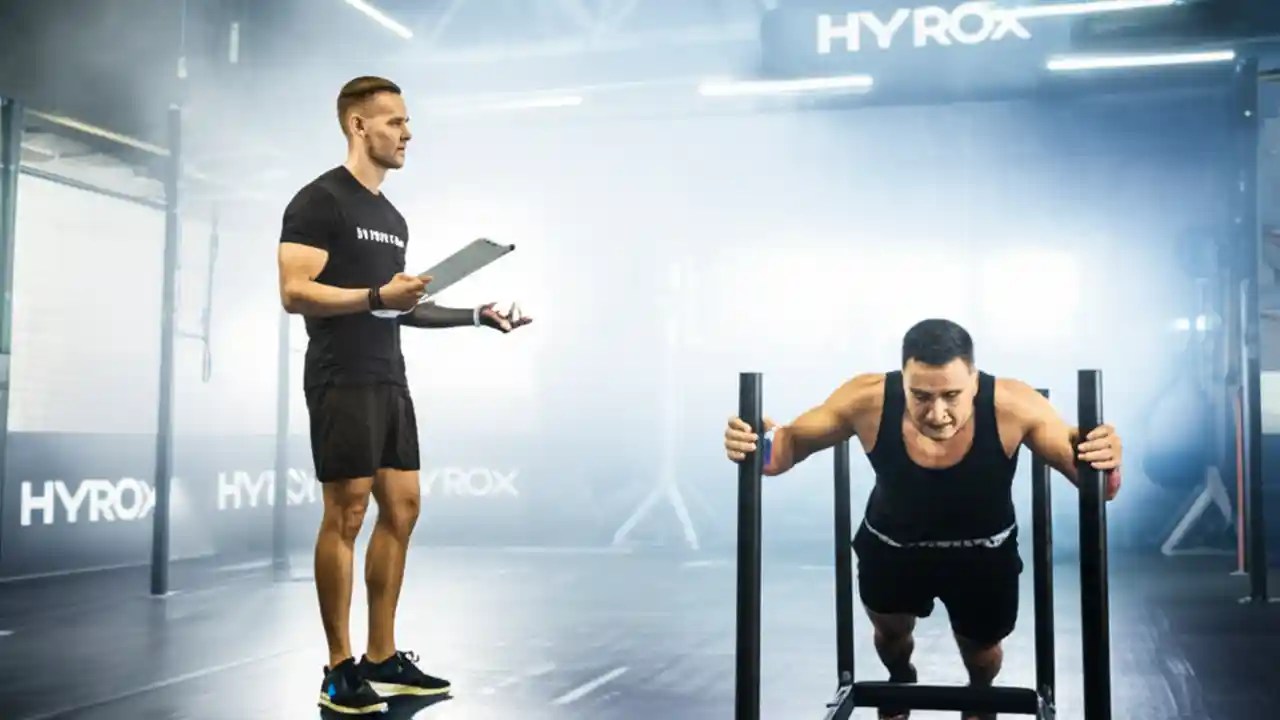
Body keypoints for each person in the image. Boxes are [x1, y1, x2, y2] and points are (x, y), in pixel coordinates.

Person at [277, 75, 533, 715]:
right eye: (395, 121)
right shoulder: (318, 201)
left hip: (389, 376)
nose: (407, 133)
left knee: (404, 506)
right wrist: (375, 296)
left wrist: (476, 315)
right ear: (358, 125)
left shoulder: (391, 219)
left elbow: (397, 308)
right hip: (340, 375)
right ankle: (339, 670)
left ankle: (382, 658)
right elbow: (294, 292)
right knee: (347, 514)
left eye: (407, 121)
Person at [722, 319, 1122, 720]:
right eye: (921, 396)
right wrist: (758, 444)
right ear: (903, 381)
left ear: (974, 381)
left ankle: (979, 700)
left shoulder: (1014, 405)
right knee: (891, 637)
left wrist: (1104, 457)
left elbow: (1098, 484)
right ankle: (900, 680)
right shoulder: (868, 399)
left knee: (982, 653)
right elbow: (788, 445)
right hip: (892, 548)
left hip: (983, 555)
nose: (937, 413)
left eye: (952, 395)